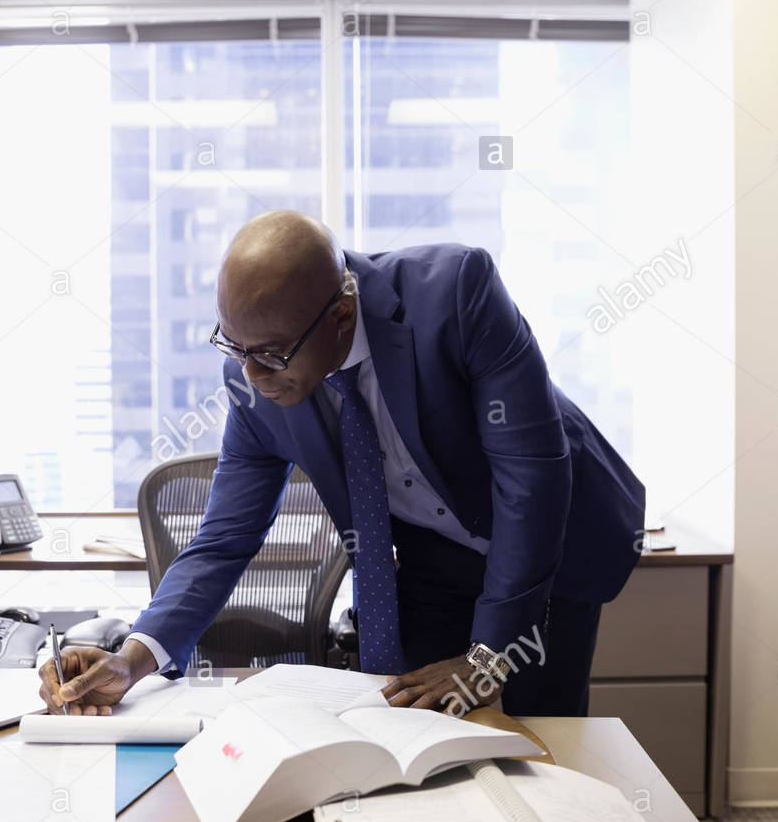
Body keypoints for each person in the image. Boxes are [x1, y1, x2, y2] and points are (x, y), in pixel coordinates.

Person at [40, 210, 644, 718]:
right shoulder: (253, 379)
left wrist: (489, 658)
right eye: (233, 346)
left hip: (553, 538)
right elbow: (224, 539)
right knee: (418, 725)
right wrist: (135, 657)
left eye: (272, 354)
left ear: (342, 315)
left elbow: (530, 480)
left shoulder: (457, 291)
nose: (251, 376)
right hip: (439, 558)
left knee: (535, 737)